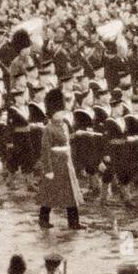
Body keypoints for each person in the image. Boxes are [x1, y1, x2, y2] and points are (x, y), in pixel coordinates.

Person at [36, 87, 84, 231]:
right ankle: (43, 219)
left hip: (66, 163)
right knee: (50, 194)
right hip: (55, 165)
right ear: (53, 113)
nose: (63, 113)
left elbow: (67, 143)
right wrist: (48, 170)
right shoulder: (48, 129)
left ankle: (74, 222)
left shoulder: (64, 125)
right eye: (60, 111)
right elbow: (45, 151)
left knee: (71, 194)